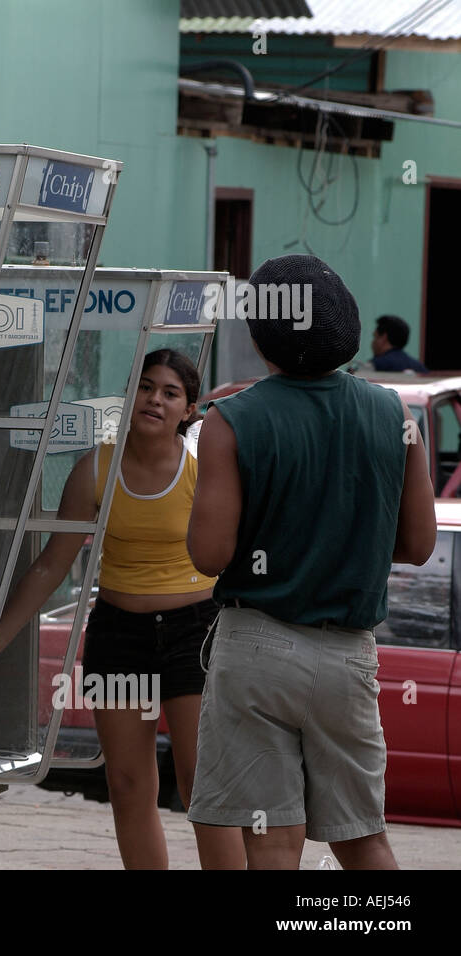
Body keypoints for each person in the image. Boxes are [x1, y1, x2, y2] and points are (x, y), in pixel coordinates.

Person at [187, 255, 436, 869]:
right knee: (362, 836)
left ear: (259, 333)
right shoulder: (393, 414)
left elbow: (209, 555)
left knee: (272, 837)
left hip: (257, 647)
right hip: (348, 654)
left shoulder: (231, 421)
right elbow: (416, 546)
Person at [0, 349, 246, 870]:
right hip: (118, 635)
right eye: (146, 387)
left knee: (203, 786)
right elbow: (49, 567)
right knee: (128, 785)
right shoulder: (95, 468)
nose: (155, 399)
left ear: (188, 409)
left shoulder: (204, 469)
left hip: (194, 636)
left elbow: (237, 556)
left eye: (170, 393)